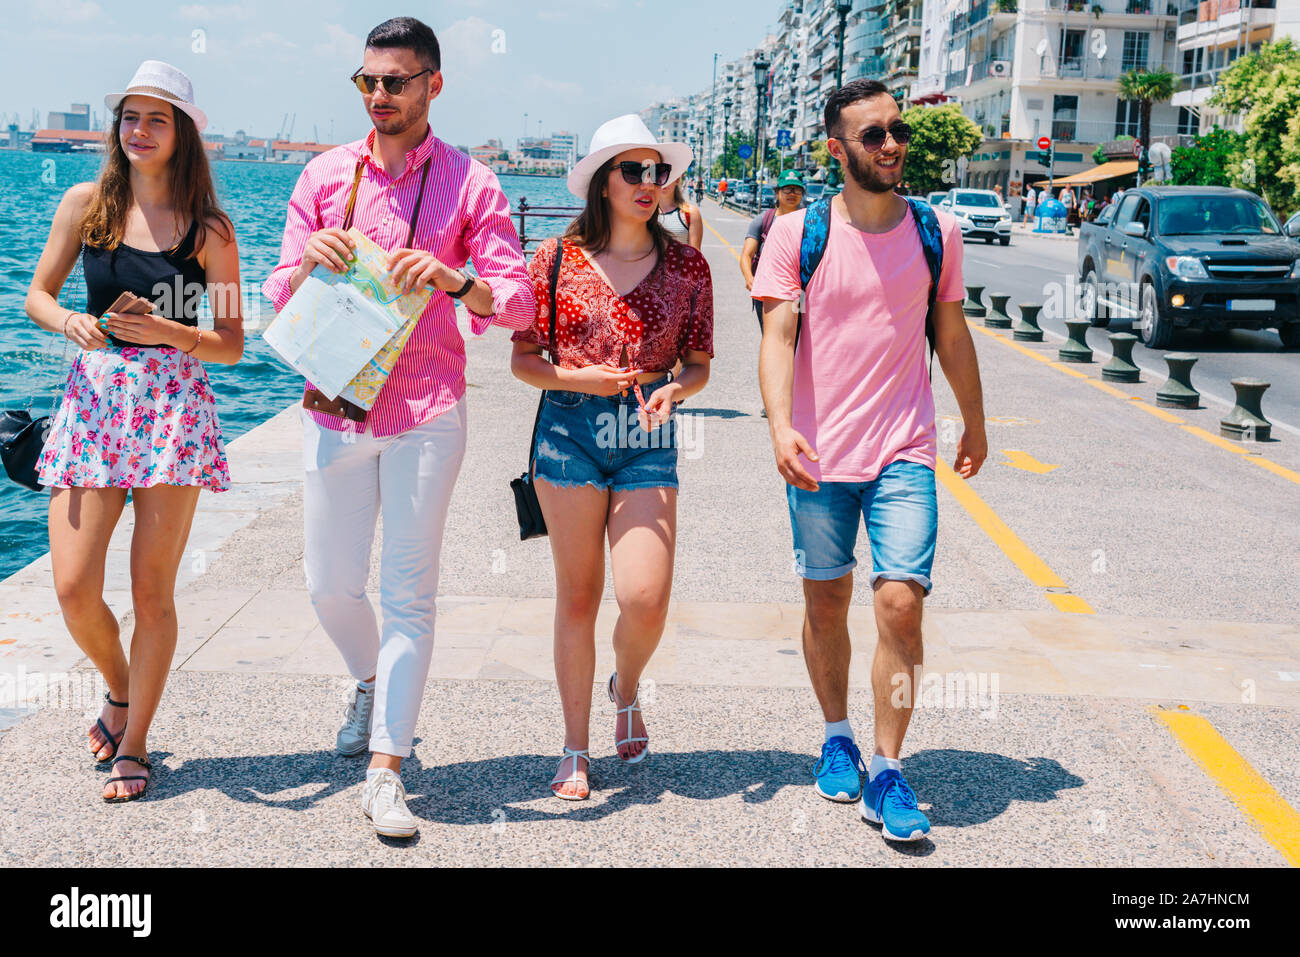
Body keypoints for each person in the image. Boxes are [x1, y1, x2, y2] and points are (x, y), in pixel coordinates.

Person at [262, 17, 536, 839]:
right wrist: (312, 258)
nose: (379, 96)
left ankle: (389, 767)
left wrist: (458, 280)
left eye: (396, 81)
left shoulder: (472, 183)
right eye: (367, 82)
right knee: (328, 585)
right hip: (337, 403)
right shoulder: (323, 173)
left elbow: (516, 300)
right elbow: (277, 290)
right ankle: (371, 683)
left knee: (409, 592)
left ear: (433, 85)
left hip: (425, 411)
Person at [751, 79, 987, 843]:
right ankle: (836, 733)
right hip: (818, 454)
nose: (892, 145)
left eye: (898, 130)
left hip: (903, 450)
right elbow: (778, 336)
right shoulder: (799, 233)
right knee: (825, 602)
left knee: (899, 604)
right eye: (873, 135)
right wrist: (781, 426)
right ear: (837, 149)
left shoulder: (935, 230)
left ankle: (887, 768)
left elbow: (950, 332)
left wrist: (975, 423)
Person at [25, 60, 243, 802]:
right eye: (130, 116)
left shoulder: (210, 229)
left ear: (181, 131)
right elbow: (38, 296)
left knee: (152, 593)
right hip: (92, 403)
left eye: (157, 117)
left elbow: (233, 342)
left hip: (174, 409)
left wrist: (166, 330)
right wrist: (71, 320)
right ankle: (119, 688)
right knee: (73, 586)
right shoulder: (85, 204)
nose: (139, 129)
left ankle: (138, 742)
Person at [510, 114, 713, 801]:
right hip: (567, 434)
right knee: (579, 596)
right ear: (602, 182)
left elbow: (699, 365)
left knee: (645, 599)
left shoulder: (688, 264)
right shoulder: (553, 259)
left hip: (646, 437)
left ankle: (625, 688)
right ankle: (574, 746)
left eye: (658, 171)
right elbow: (522, 361)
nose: (650, 184)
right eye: (634, 170)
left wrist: (674, 394)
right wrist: (577, 379)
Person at [741, 170, 804, 332]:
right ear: (777, 192)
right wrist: (750, 279)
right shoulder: (764, 220)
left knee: (798, 336)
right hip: (769, 291)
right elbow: (747, 254)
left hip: (800, 291)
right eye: (787, 189)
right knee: (772, 335)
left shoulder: (810, 221)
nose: (792, 193)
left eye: (796, 189)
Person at [656, 176, 703, 250]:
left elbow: (695, 256)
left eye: (667, 176)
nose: (662, 182)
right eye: (657, 176)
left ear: (677, 179)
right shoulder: (644, 212)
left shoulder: (690, 213)